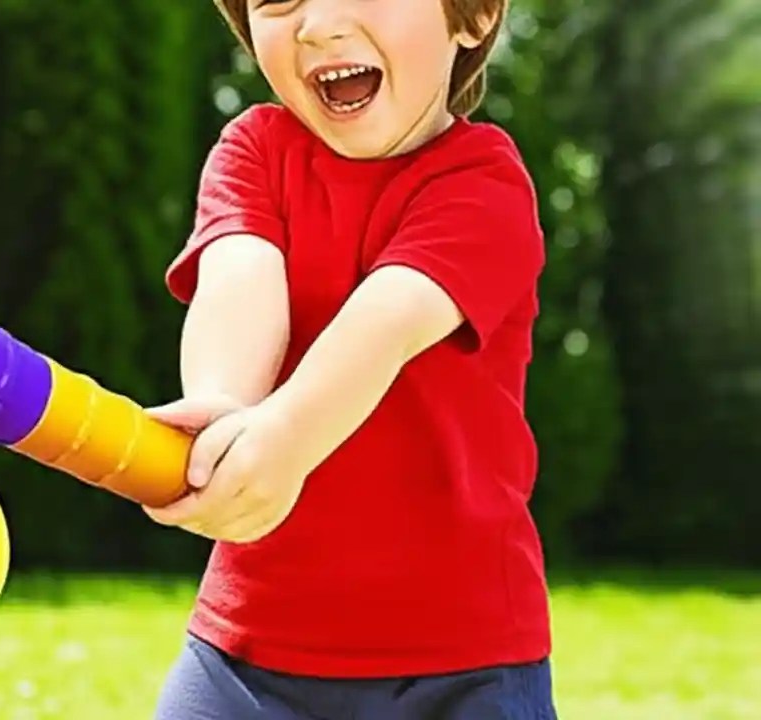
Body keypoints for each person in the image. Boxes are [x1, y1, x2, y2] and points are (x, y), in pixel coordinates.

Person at [144, 0, 558, 717]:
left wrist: (281, 439)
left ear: (475, 14)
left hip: (465, 665)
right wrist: (223, 414)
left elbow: (385, 324)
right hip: (245, 655)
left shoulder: (484, 183)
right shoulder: (254, 149)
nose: (317, 23)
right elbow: (238, 276)